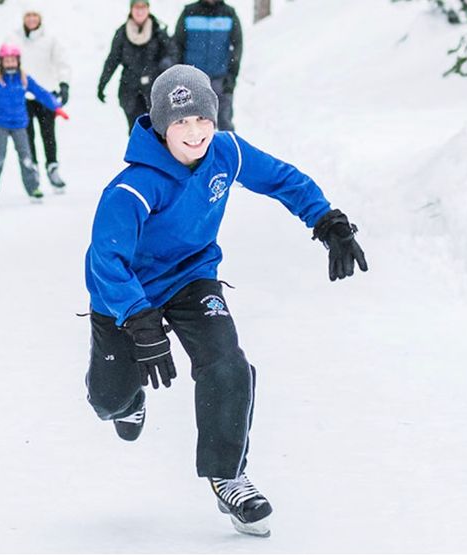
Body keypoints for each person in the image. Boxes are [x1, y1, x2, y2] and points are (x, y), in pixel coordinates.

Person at [83, 65, 367, 537]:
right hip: (126, 292)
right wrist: (138, 319)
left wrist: (326, 220)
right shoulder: (131, 187)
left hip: (193, 278)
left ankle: (228, 473)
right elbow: (106, 261)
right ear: (160, 125)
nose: (194, 133)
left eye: (202, 121)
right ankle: (125, 400)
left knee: (227, 363)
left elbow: (282, 179)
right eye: (180, 123)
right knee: (108, 400)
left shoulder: (227, 152)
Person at [0, 44, 69, 203]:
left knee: (26, 158)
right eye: (6, 61)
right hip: (0, 124)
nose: (10, 63)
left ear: (18, 61)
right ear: (1, 62)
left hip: (20, 124)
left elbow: (41, 93)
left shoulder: (24, 79)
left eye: (13, 60)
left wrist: (56, 107)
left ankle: (33, 188)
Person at [5, 4, 72, 191]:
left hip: (46, 94)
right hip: (21, 96)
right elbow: (2, 64)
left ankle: (52, 167)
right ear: (23, 18)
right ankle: (32, 170)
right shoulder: (13, 39)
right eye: (28, 15)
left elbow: (62, 62)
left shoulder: (50, 40)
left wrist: (64, 84)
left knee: (48, 134)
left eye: (35, 15)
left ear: (40, 18)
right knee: (27, 136)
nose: (31, 19)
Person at [98, 0, 176, 133]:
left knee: (156, 131)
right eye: (136, 7)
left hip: (154, 89)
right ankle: (139, 153)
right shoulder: (122, 33)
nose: (140, 11)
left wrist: (166, 63)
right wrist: (102, 84)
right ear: (131, 9)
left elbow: (172, 53)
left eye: (143, 7)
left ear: (148, 9)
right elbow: (112, 60)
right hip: (129, 90)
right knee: (136, 130)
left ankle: (153, 153)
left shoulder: (158, 30)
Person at [173, 0, 242, 130]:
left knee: (224, 124)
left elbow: (237, 46)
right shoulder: (189, 12)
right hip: (192, 81)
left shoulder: (229, 13)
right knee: (192, 125)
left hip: (220, 80)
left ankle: (226, 151)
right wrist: (179, 75)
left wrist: (232, 76)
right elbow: (177, 45)